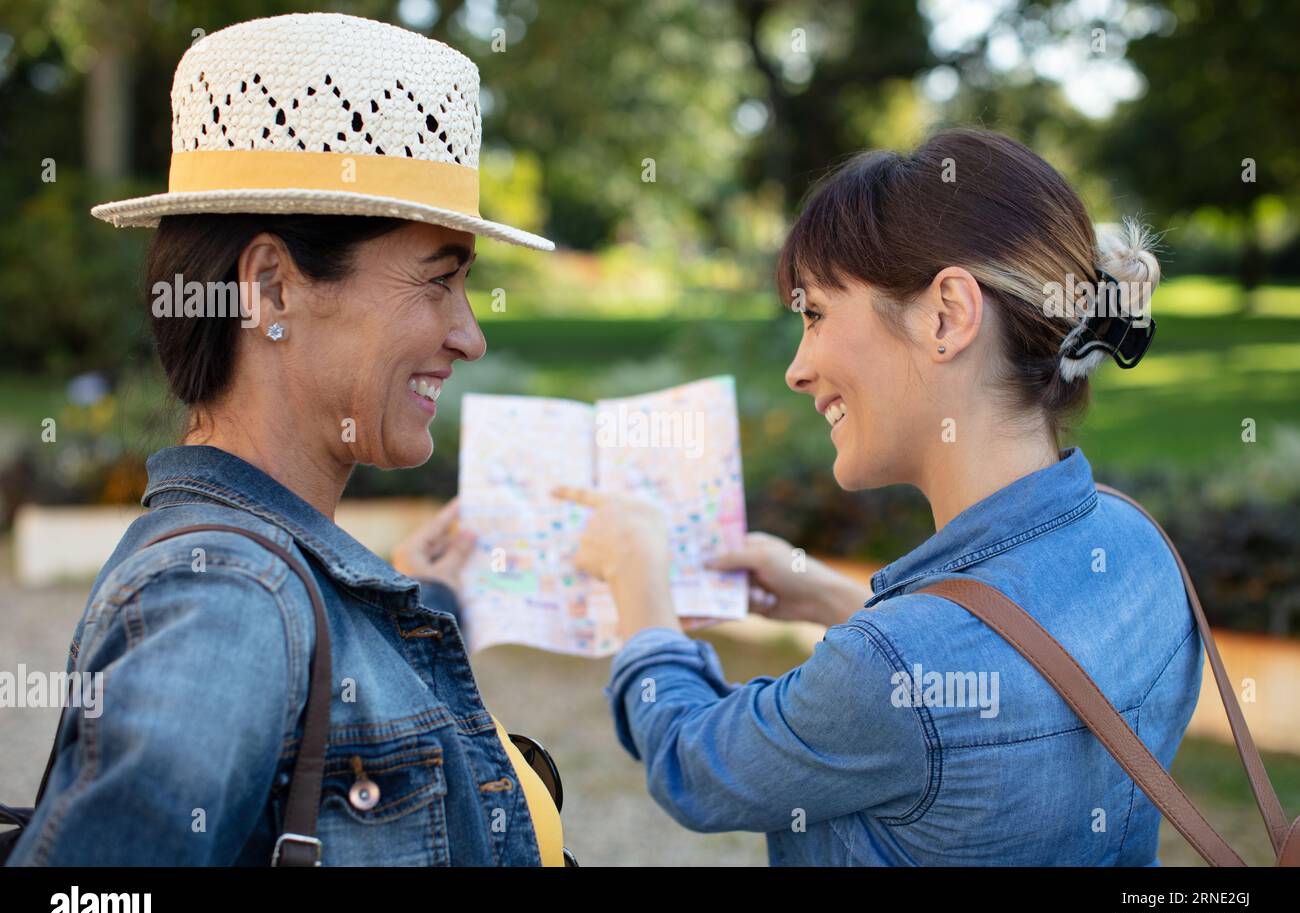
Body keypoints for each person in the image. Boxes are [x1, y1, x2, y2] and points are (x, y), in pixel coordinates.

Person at [8, 12, 564, 866]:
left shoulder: (264, 583)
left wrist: (414, 594)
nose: (468, 334)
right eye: (439, 282)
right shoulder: (228, 600)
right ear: (270, 289)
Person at [560, 128, 1198, 865]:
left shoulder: (890, 668)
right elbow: (998, 680)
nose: (798, 369)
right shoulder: (1136, 544)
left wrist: (640, 590)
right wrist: (827, 596)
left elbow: (698, 764)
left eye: (816, 314)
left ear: (947, 315)